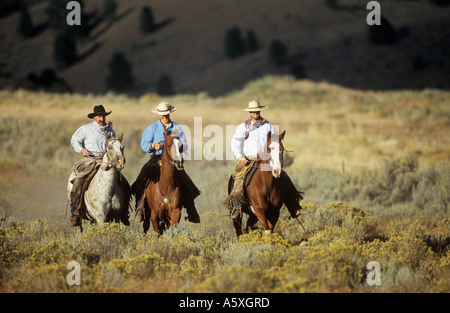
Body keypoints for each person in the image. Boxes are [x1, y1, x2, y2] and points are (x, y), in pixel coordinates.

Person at [227, 100, 304, 220]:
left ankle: (294, 206)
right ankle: (237, 207)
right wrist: (240, 157)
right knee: (238, 179)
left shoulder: (267, 126)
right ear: (250, 112)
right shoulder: (242, 127)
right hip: (248, 159)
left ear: (260, 111)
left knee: (283, 177)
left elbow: (274, 141)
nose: (255, 112)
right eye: (253, 111)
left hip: (265, 159)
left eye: (257, 110)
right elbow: (235, 143)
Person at [131, 102, 201, 223]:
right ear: (159, 115)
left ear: (170, 113)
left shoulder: (176, 128)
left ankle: (191, 209)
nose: (165, 116)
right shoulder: (152, 128)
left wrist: (178, 147)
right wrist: (153, 145)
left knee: (187, 182)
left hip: (173, 160)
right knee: (142, 179)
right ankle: (140, 207)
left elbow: (184, 145)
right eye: (162, 114)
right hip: (156, 158)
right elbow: (144, 144)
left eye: (167, 114)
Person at [69, 105, 116, 227]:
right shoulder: (86, 128)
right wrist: (81, 150)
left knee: (122, 182)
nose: (102, 119)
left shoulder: (109, 130)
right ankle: (76, 212)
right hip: (90, 160)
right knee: (78, 182)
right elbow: (74, 140)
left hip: (106, 161)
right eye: (99, 116)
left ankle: (124, 212)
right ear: (94, 117)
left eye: (103, 116)